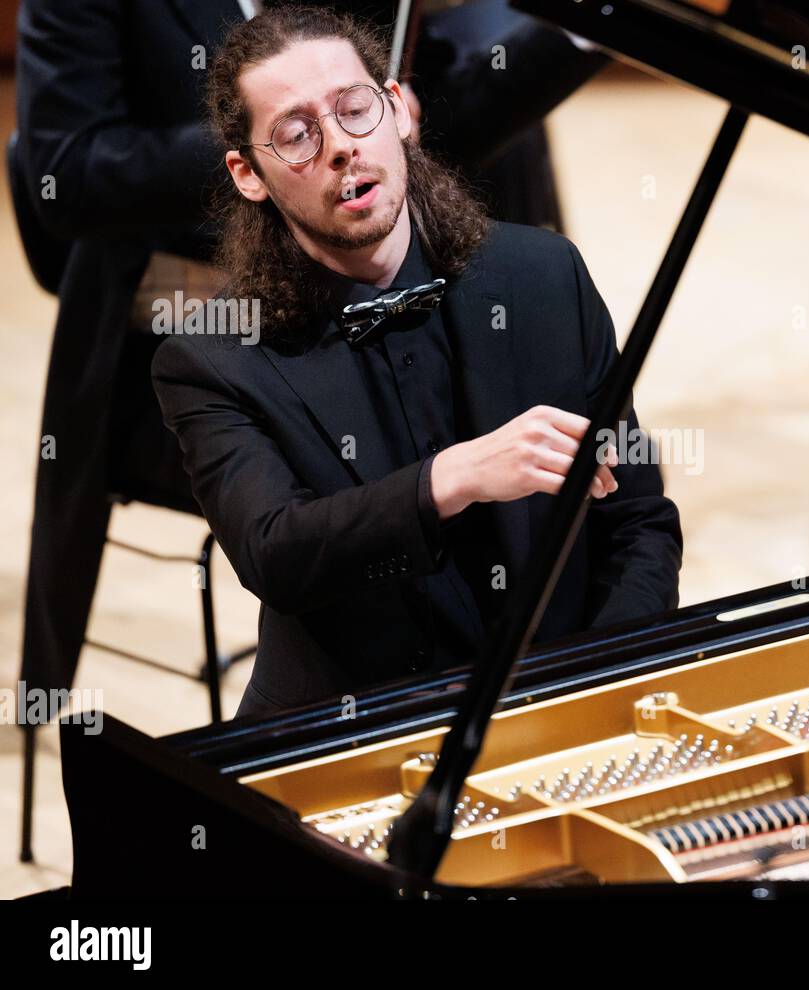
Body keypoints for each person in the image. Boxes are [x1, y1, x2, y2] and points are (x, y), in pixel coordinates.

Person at [150, 5, 683, 717]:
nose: (340, 146)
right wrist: (450, 479)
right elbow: (277, 552)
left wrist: (596, 687)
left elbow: (639, 522)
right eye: (297, 135)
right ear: (249, 174)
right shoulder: (214, 359)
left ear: (399, 110)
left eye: (354, 109)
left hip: (556, 702)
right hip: (349, 733)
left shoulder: (542, 277)